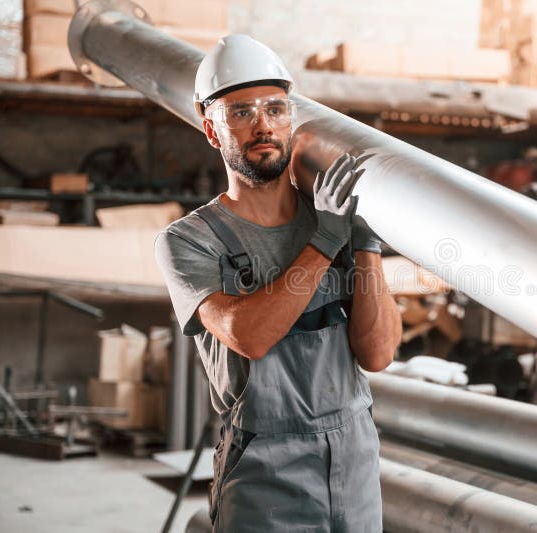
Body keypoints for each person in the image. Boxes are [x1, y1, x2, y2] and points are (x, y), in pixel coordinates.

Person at [154, 34, 402, 532]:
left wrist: (367, 247)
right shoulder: (189, 240)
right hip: (265, 468)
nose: (263, 125)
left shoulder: (329, 217)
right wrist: (326, 242)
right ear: (210, 129)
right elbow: (250, 334)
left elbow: (377, 355)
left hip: (353, 458)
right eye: (241, 112)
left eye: (275, 108)